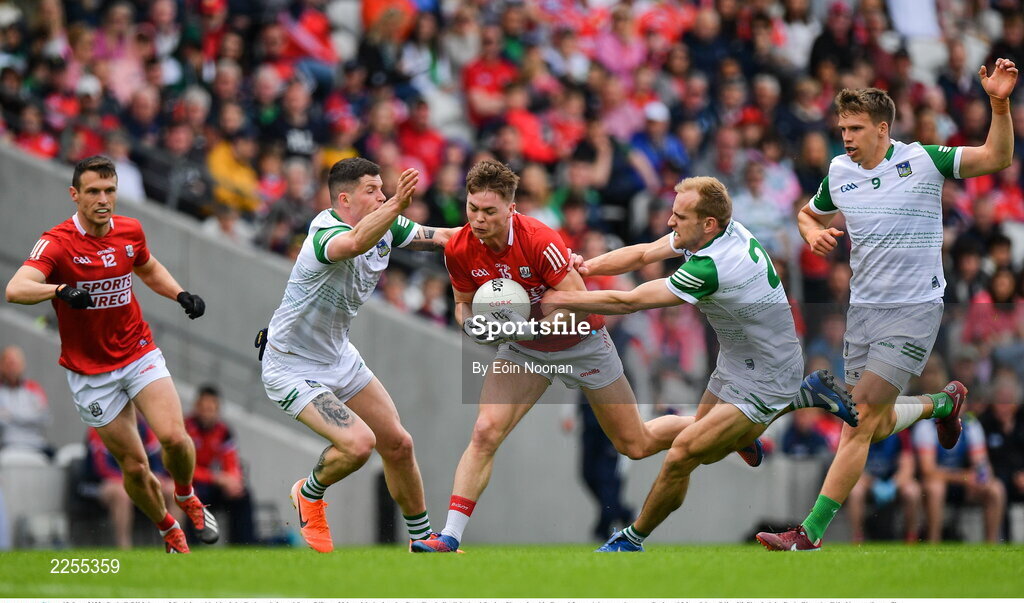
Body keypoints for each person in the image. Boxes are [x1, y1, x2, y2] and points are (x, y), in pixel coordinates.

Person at [757, 58, 1018, 551]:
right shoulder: (838, 171)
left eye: (855, 128)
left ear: (882, 128)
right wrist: (812, 232)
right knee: (871, 424)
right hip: (864, 311)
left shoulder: (922, 160)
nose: (847, 138)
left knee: (858, 418)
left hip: (916, 307)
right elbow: (806, 213)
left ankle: (808, 532)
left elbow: (996, 158)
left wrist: (999, 104)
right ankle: (941, 402)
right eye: (841, 128)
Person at [538, 176, 857, 552]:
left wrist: (563, 301)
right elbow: (642, 255)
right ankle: (779, 412)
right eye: (673, 214)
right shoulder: (713, 231)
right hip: (737, 358)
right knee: (653, 445)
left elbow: (631, 302)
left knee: (684, 454)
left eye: (679, 216)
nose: (671, 222)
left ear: (707, 223)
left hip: (769, 375)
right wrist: (585, 268)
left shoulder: (712, 266)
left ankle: (631, 538)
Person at [4, 155, 216, 553]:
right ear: (75, 195)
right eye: (94, 191)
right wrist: (59, 290)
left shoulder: (130, 230)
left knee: (174, 437)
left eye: (110, 191)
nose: (104, 199)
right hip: (90, 373)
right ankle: (168, 526)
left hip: (137, 352)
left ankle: (187, 496)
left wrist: (179, 293)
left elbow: (147, 267)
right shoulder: (57, 242)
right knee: (134, 468)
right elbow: (15, 289)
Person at [259, 157, 457, 553]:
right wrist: (396, 205)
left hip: (339, 358)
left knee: (398, 444)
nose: (382, 196)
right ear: (344, 199)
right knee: (359, 445)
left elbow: (443, 237)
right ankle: (309, 493)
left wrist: (494, 227)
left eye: (384, 189)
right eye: (373, 190)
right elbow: (355, 243)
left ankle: (422, 541)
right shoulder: (324, 232)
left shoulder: (387, 223)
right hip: (291, 366)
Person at [84, 417, 178, 549]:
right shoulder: (100, 426)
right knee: (122, 493)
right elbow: (101, 467)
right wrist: (129, 478)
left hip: (138, 479)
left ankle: (175, 542)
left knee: (173, 489)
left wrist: (156, 475)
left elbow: (156, 461)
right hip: (102, 483)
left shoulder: (144, 427)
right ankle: (124, 546)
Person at [914, 415, 1005, 543]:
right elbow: (928, 470)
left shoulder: (971, 424)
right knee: (936, 488)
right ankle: (933, 542)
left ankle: (991, 544)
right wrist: (963, 477)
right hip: (939, 483)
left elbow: (982, 464)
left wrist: (982, 477)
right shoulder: (926, 426)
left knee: (996, 488)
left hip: (964, 484)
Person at [184, 384, 255, 544]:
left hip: (211, 484)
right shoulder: (185, 428)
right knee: (191, 497)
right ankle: (192, 547)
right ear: (197, 407)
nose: (207, 413)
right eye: (204, 408)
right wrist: (216, 477)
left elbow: (231, 460)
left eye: (212, 408)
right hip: (191, 484)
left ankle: (245, 546)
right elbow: (183, 468)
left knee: (242, 495)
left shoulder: (223, 431)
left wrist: (233, 480)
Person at [847, 431, 920, 543]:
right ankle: (857, 537)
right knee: (855, 491)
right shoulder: (861, 429)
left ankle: (911, 537)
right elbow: (853, 468)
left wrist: (893, 485)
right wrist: (873, 483)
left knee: (912, 491)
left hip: (894, 481)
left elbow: (907, 466)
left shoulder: (900, 431)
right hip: (868, 481)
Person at [0, 345, 52, 456]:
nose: (12, 368)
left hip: (37, 445)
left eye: (15, 363)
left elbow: (44, 418)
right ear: (2, 366)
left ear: (22, 365)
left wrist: (10, 415)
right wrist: (28, 416)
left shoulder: (35, 389)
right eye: (8, 363)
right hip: (5, 445)